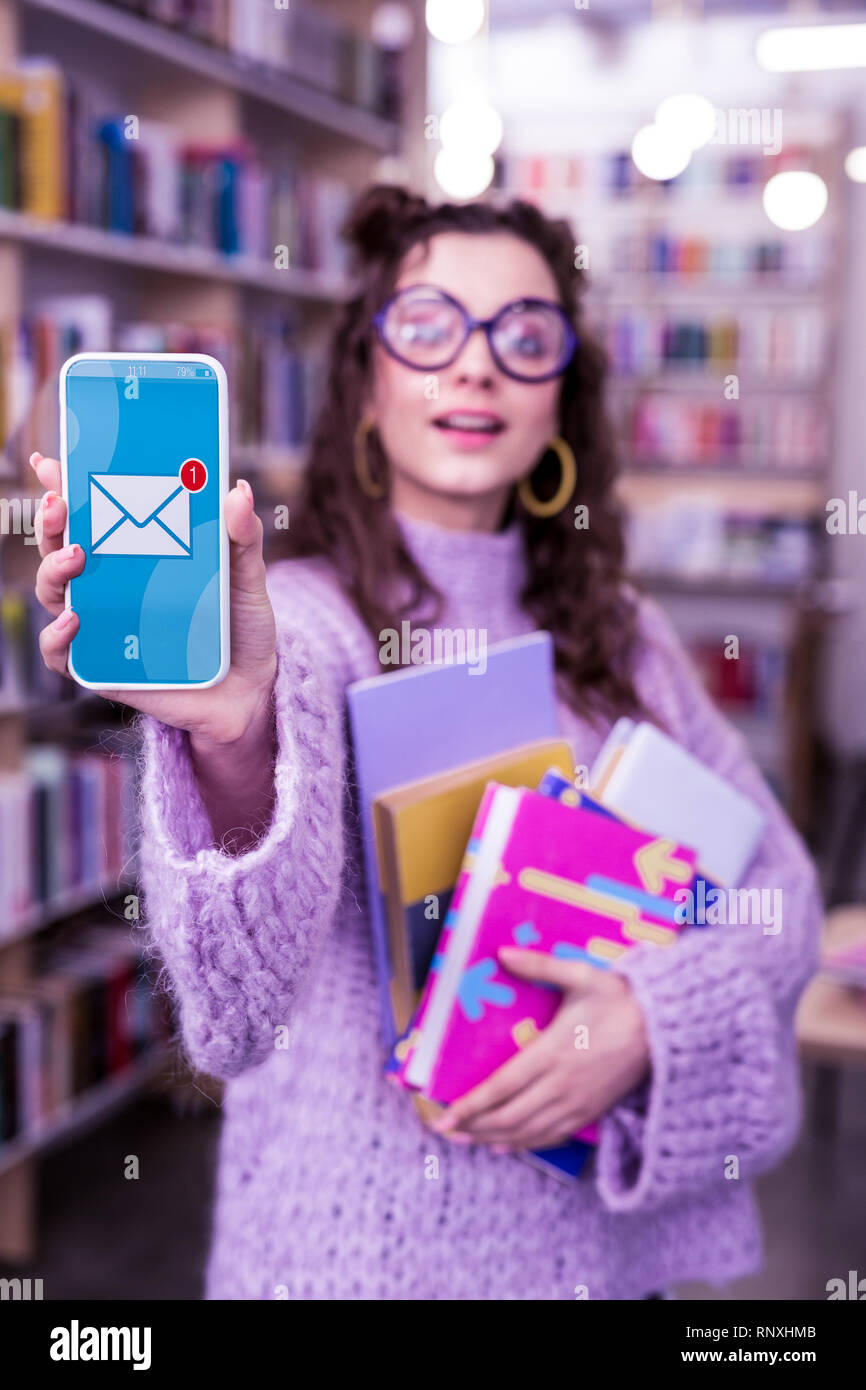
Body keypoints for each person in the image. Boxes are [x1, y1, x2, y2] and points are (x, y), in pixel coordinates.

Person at [31, 185, 821, 1300]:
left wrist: (653, 1015)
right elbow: (230, 1016)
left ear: (563, 400)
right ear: (364, 380)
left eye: (525, 336)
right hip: (346, 1267)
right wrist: (232, 737)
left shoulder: (624, 638)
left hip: (600, 1266)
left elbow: (777, 893)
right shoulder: (301, 626)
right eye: (428, 325)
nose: (477, 364)